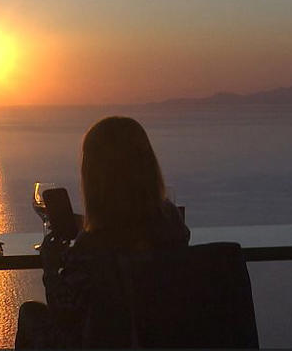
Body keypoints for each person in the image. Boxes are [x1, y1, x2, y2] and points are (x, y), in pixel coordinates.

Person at [15, 116, 190, 348]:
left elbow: (65, 315)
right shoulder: (172, 223)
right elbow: (130, 229)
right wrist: (86, 224)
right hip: (161, 338)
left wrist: (50, 267)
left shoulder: (90, 250)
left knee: (30, 314)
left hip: (104, 341)